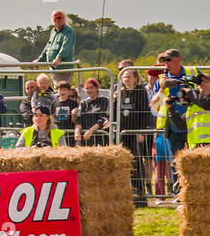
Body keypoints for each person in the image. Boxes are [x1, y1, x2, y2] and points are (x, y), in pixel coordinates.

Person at [152, 48, 193, 192]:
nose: (166, 64)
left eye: (168, 60)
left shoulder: (192, 73)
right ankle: (179, 194)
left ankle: (196, 192)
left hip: (194, 127)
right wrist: (162, 89)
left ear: (178, 59)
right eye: (163, 61)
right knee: (176, 162)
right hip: (173, 128)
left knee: (196, 163)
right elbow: (153, 106)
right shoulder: (161, 80)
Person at [116, 67, 153, 205]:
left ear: (136, 78)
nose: (127, 79)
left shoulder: (141, 92)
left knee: (137, 162)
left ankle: (140, 195)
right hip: (122, 133)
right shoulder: (119, 93)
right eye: (124, 77)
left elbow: (145, 112)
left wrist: (141, 131)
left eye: (129, 77)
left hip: (135, 132)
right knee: (124, 162)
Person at [36, 10, 75, 82]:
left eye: (59, 18)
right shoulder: (53, 31)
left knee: (62, 90)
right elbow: (48, 46)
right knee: (56, 90)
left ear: (64, 19)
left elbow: (66, 46)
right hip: (53, 68)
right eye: (55, 18)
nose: (57, 20)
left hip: (63, 68)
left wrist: (58, 58)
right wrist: (39, 60)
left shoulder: (69, 31)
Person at [75, 78, 110, 147]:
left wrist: (90, 131)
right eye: (87, 88)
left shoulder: (104, 100)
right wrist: (77, 132)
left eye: (91, 87)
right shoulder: (83, 103)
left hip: (100, 137)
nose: (89, 90)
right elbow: (79, 119)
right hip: (86, 138)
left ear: (97, 88)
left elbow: (103, 118)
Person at [51, 80, 79, 146]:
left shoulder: (73, 103)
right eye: (60, 90)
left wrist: (73, 114)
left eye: (64, 90)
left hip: (69, 131)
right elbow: (52, 116)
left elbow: (74, 120)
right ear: (57, 91)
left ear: (69, 91)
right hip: (57, 130)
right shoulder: (54, 102)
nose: (62, 92)